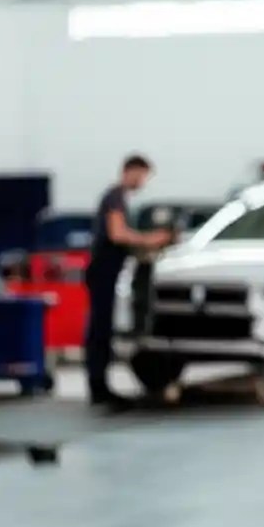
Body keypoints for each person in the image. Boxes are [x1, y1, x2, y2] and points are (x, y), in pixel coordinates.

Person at [84, 154, 172, 409]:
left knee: (102, 328)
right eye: (143, 175)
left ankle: (99, 384)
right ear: (131, 171)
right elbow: (117, 233)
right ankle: (98, 386)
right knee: (100, 329)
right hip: (103, 271)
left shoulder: (117, 198)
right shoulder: (115, 197)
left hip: (106, 270)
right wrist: (150, 239)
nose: (143, 182)